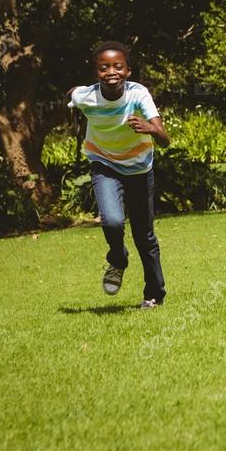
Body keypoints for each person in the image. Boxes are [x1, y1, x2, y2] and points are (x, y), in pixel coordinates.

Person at [67, 41, 170, 308]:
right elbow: (72, 95)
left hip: (138, 167)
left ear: (128, 71)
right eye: (104, 67)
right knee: (112, 222)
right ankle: (118, 259)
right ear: (96, 72)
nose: (111, 71)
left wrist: (150, 128)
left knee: (143, 234)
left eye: (118, 66)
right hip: (104, 163)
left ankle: (154, 294)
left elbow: (165, 139)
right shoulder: (86, 96)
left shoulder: (138, 94)